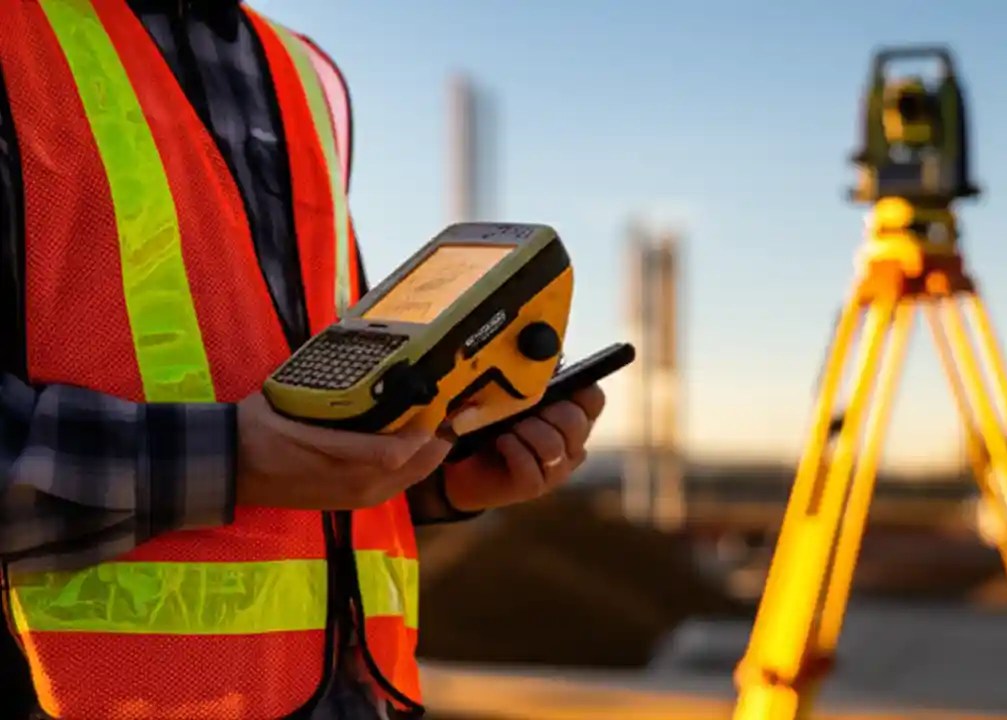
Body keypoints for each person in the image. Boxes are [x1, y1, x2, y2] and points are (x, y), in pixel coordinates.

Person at [0, 1, 606, 718]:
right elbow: (252, 442)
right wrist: (232, 458)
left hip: (343, 696)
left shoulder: (306, 76)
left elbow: (286, 390)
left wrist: (427, 475)